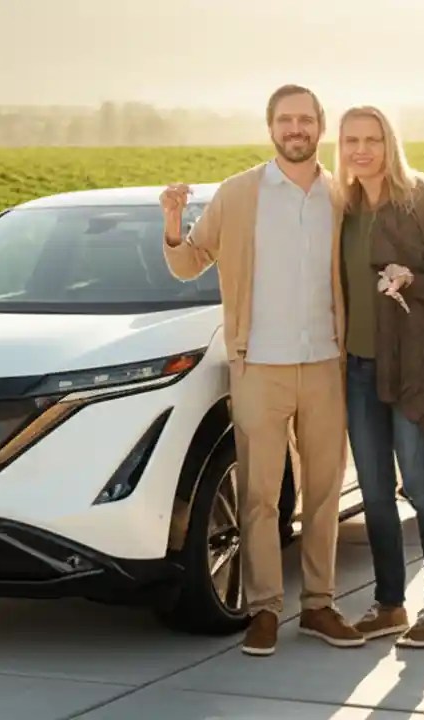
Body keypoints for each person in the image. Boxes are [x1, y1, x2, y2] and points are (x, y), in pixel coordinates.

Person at [159, 84, 362, 656]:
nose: (295, 128)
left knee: (323, 493)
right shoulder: (239, 193)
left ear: (319, 125)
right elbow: (188, 262)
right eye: (284, 119)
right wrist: (174, 221)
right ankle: (265, 610)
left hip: (327, 365)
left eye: (304, 119)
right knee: (259, 496)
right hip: (259, 367)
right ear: (270, 127)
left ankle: (319, 605)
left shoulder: (341, 198)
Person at [334, 104, 424, 649]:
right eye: (351, 140)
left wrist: (411, 279)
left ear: (390, 143)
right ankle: (390, 606)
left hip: (411, 365)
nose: (362, 149)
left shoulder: (421, 197)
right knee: (377, 494)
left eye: (372, 139)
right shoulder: (342, 206)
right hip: (358, 370)